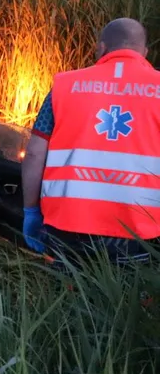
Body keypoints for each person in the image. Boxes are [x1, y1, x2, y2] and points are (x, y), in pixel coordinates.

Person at [21, 17, 160, 265]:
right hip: (138, 232)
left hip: (67, 226)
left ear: (102, 47)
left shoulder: (64, 85)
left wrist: (31, 210)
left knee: (67, 294)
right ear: (145, 52)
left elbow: (34, 153)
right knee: (129, 299)